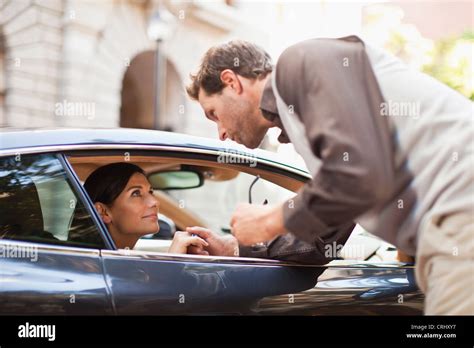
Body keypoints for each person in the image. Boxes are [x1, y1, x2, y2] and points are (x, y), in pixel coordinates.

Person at [186, 37, 473, 314]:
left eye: (213, 114)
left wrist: (268, 220)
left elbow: (357, 176)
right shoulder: (305, 124)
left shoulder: (301, 63)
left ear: (231, 82)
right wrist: (238, 248)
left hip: (461, 207)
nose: (220, 133)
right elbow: (321, 237)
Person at [84, 162, 346, 263]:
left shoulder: (113, 258)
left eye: (151, 191)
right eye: (136, 194)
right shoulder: (93, 265)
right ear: (103, 211)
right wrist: (172, 264)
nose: (153, 202)